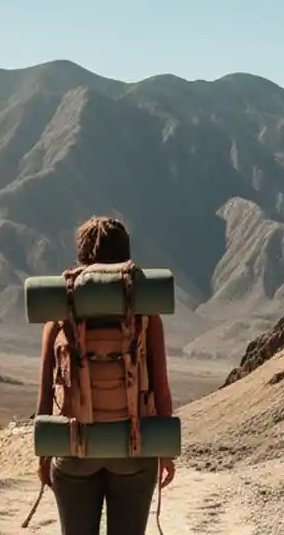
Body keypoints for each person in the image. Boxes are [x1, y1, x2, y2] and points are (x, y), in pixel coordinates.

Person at [34, 216, 176, 535]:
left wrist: (44, 457)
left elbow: (44, 396)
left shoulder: (58, 317)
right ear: (126, 257)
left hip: (73, 451)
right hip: (134, 452)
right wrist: (165, 452)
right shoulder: (146, 315)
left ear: (82, 258)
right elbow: (161, 389)